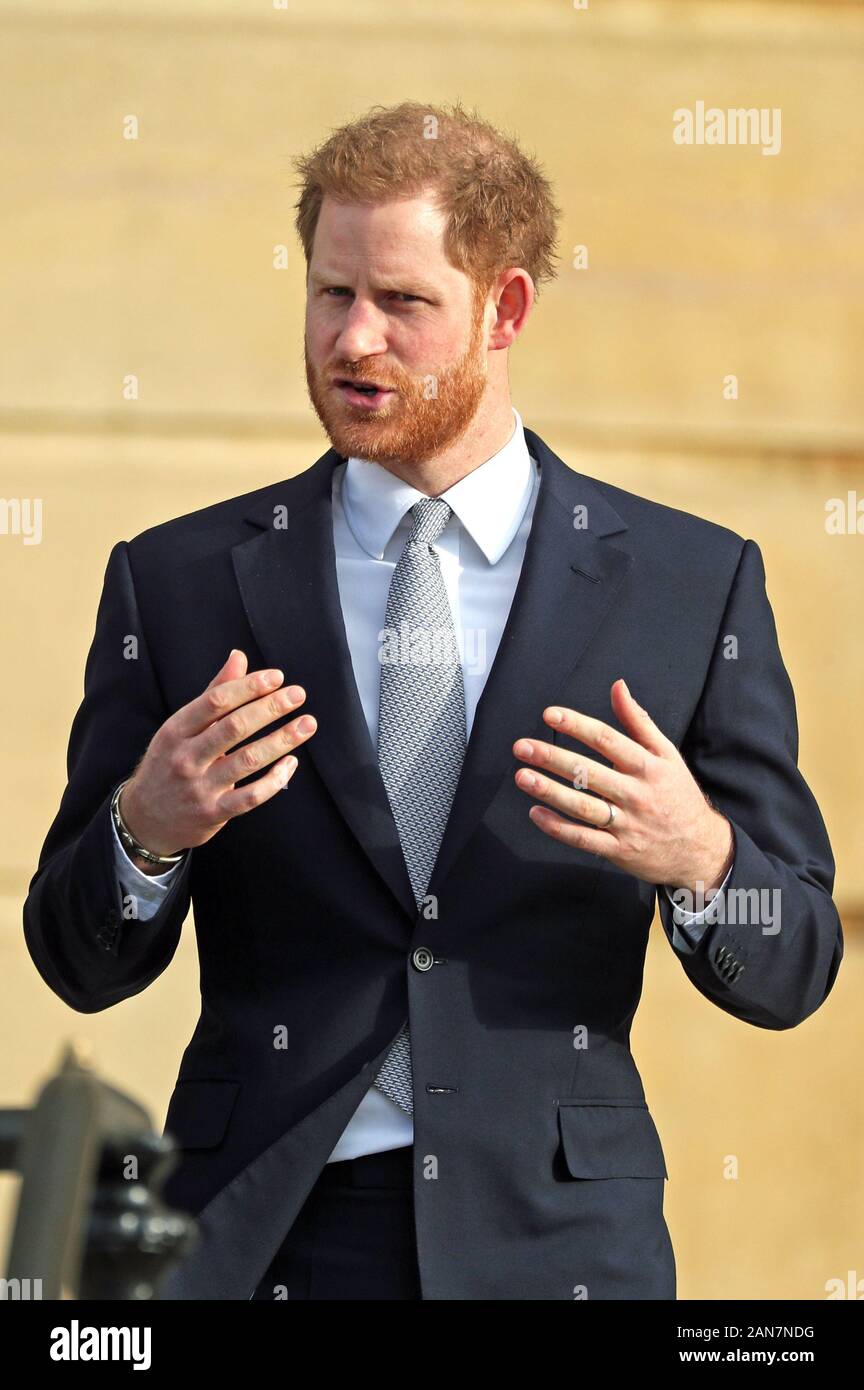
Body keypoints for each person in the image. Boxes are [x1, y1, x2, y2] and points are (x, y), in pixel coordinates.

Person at [23, 101, 843, 1301]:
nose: (354, 341)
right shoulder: (180, 580)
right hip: (257, 1238)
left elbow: (799, 959)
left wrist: (703, 858)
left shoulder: (686, 581)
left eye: (402, 303)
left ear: (504, 309)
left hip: (558, 1245)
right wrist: (145, 829)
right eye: (329, 294)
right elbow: (72, 956)